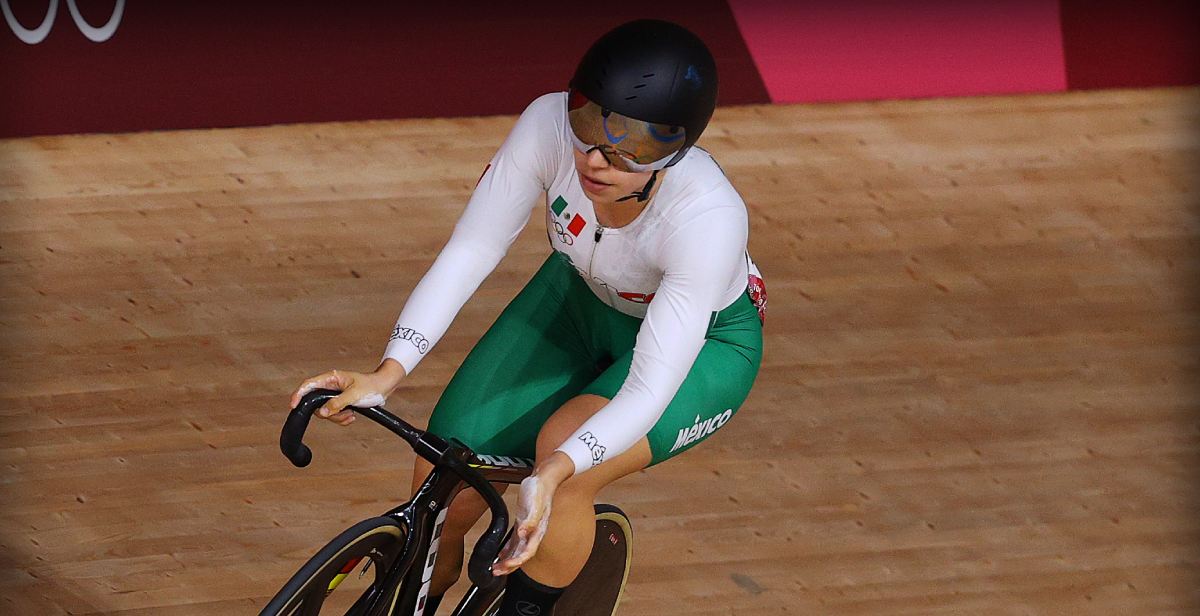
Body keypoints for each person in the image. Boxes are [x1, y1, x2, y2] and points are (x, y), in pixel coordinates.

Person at [289, 19, 766, 615]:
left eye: (633, 147)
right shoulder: (544, 124)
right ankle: (412, 596)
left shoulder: (707, 218)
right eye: (590, 123)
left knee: (562, 464)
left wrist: (557, 469)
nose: (597, 158)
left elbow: (649, 385)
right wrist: (389, 371)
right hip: (580, 299)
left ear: (678, 150)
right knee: (445, 467)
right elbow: (472, 249)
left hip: (704, 348)